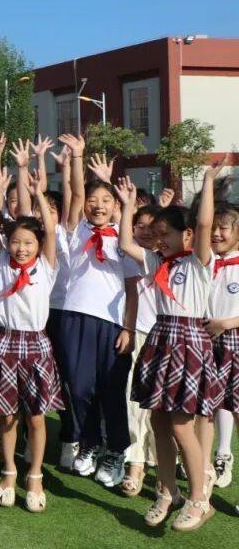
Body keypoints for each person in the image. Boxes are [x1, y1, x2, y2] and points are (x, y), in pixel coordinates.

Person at [119, 165, 223, 531]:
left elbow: (205, 224)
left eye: (166, 234)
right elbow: (126, 244)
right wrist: (128, 206)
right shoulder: (157, 262)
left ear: (187, 235)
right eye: (156, 234)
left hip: (188, 342)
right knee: (159, 421)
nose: (159, 240)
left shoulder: (198, 263)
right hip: (161, 340)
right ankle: (167, 492)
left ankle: (199, 499)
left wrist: (206, 182)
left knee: (181, 425)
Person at [54, 137, 139, 485]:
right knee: (77, 387)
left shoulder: (124, 238)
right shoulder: (75, 231)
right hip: (74, 317)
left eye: (105, 200)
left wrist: (129, 328)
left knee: (111, 390)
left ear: (115, 204)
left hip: (112, 324)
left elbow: (132, 289)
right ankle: (89, 442)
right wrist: (78, 156)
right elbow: (75, 192)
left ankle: (116, 450)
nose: (98, 205)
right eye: (93, 201)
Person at [0, 165, 63, 513]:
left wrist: (39, 194)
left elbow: (51, 229)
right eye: (15, 241)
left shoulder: (45, 266)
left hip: (37, 344)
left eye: (28, 243)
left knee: (36, 417)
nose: (20, 248)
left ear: (39, 245)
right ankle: (9, 472)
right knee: (7, 416)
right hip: (5, 342)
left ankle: (35, 475)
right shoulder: (1, 262)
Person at [120, 204, 160, 497]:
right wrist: (127, 204)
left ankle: (162, 465)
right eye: (140, 225)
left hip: (170, 339)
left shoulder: (172, 258)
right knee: (134, 402)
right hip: (141, 334)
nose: (146, 232)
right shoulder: (139, 258)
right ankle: (135, 462)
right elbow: (124, 242)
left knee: (162, 408)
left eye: (153, 227)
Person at [208, 200, 239, 488]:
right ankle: (222, 454)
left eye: (224, 228)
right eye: (213, 227)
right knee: (214, 402)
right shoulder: (206, 262)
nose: (216, 233)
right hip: (208, 340)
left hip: (234, 340)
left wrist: (226, 323)